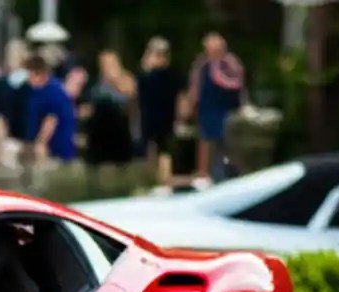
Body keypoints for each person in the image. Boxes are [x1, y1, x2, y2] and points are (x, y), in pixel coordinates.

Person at [187, 32, 246, 182]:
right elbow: (195, 87)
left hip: (227, 110)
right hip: (208, 110)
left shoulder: (230, 63)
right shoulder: (203, 65)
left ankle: (228, 173)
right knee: (207, 142)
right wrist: (192, 104)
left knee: (227, 144)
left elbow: (239, 85)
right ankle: (205, 173)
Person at [137, 37, 184, 182]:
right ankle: (154, 179)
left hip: (163, 117)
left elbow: (179, 97)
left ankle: (163, 180)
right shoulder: (147, 75)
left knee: (163, 150)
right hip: (150, 116)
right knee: (152, 149)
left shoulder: (167, 75)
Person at [83, 50, 136, 166]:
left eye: (108, 63)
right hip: (100, 131)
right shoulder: (98, 83)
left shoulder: (126, 78)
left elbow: (130, 99)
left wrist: (115, 80)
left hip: (120, 129)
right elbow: (93, 103)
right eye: (103, 63)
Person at [24, 55, 78, 165]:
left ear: (40, 74)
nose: (28, 80)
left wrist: (39, 146)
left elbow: (50, 121)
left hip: (55, 154)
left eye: (30, 75)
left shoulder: (52, 92)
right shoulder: (40, 91)